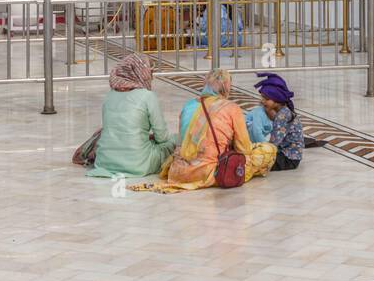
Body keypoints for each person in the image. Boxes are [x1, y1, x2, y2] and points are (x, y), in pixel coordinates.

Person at [128, 70, 275, 193]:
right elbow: (244, 148)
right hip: (211, 172)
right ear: (226, 87)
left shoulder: (189, 105)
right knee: (268, 150)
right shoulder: (231, 108)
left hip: (178, 171)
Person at [73, 54, 176, 178]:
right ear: (141, 73)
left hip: (104, 163)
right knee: (175, 140)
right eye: (150, 73)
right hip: (139, 164)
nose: (152, 78)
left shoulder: (109, 96)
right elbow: (162, 137)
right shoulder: (147, 96)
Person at [245, 74, 304, 171]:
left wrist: (256, 149)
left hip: (288, 159)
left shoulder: (282, 116)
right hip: (288, 155)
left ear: (277, 100)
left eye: (267, 99)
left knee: (252, 160)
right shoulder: (283, 112)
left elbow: (273, 144)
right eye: (262, 97)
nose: (263, 101)